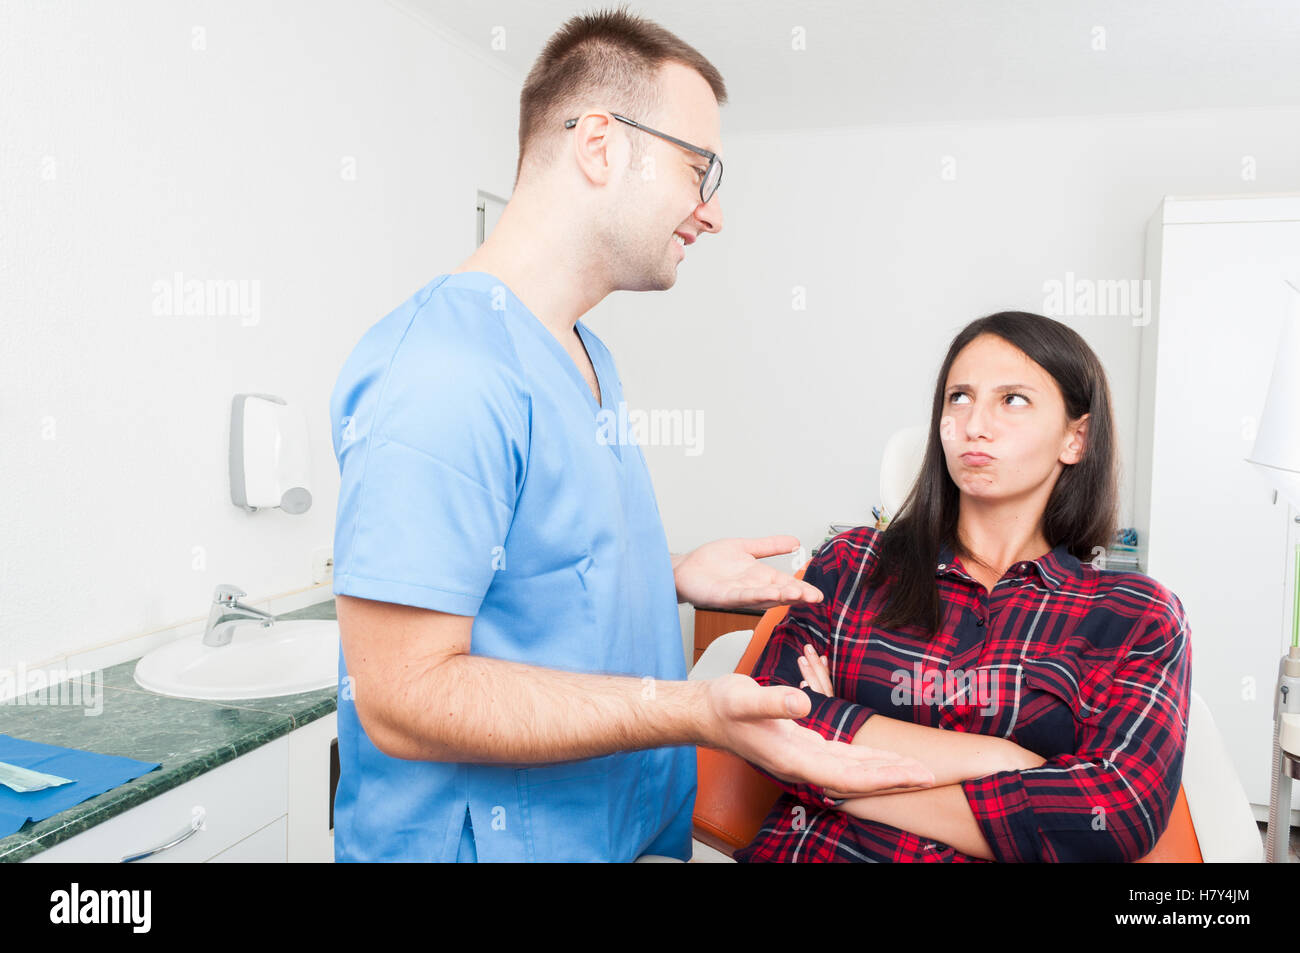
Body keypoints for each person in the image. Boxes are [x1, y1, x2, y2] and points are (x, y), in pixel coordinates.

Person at [327, 9, 933, 862]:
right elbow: (403, 695)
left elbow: (532, 569)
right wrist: (693, 710)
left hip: (623, 827)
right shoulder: (439, 371)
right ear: (602, 145)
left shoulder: (589, 355)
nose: (712, 214)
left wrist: (673, 574)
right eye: (699, 170)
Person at [734, 311, 1192, 862]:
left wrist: (846, 783)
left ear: (1076, 437)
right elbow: (768, 720)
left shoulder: (1136, 614)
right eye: (959, 398)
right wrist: (1006, 759)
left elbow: (1115, 813)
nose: (975, 424)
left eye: (1013, 399)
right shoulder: (854, 562)